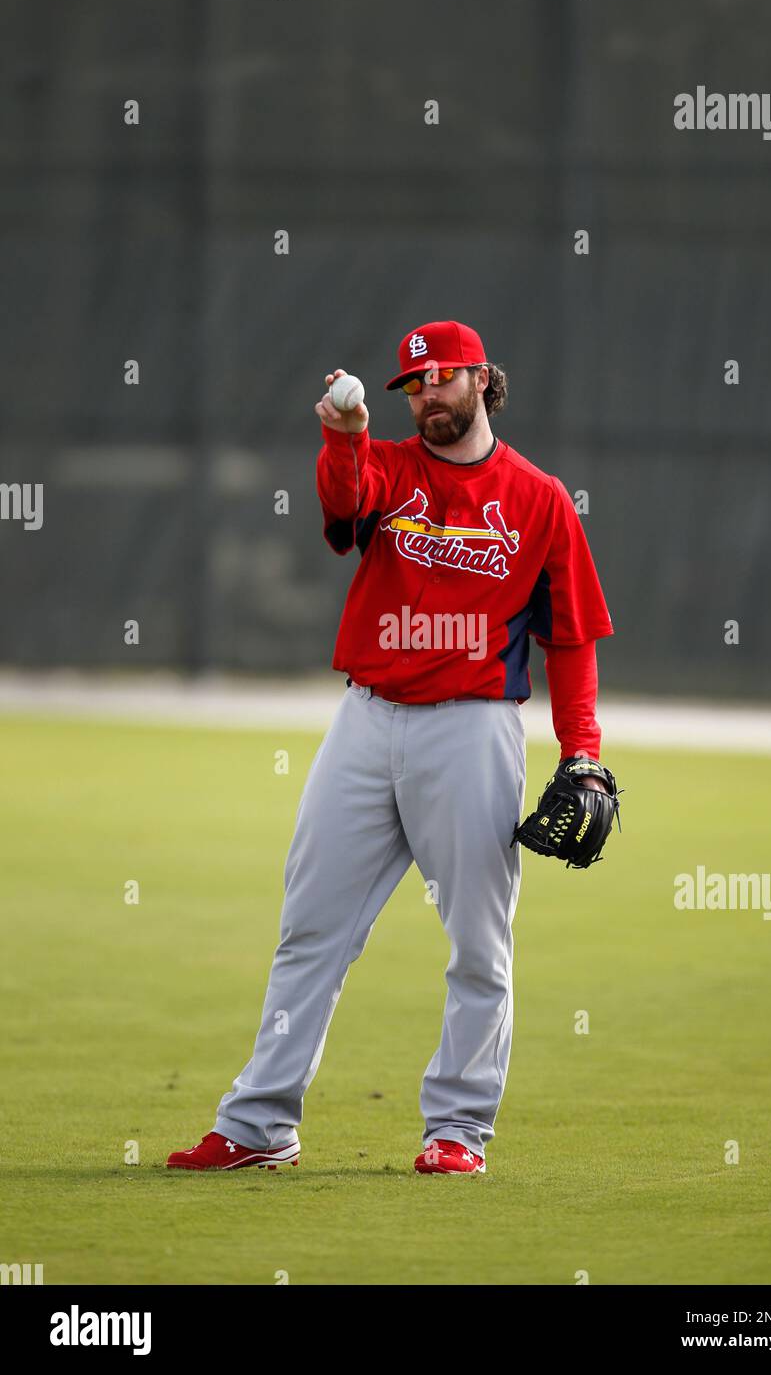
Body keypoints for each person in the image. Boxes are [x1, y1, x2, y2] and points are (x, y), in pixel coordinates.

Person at [167, 319, 613, 1176]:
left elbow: (572, 638)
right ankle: (260, 1125)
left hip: (473, 728)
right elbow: (346, 505)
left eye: (440, 377)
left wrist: (580, 751)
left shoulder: (540, 498)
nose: (426, 394)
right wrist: (345, 436)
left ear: (481, 378)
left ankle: (458, 1131)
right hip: (366, 721)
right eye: (413, 385)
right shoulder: (389, 467)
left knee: (478, 945)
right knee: (310, 930)